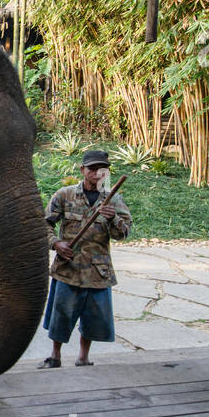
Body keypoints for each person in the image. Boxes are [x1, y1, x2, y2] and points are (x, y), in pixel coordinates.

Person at [38, 149, 132, 368]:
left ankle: (83, 357)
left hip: (97, 271)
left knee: (92, 319)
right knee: (61, 315)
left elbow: (123, 233)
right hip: (68, 268)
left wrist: (113, 218)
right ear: (82, 170)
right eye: (92, 169)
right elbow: (44, 223)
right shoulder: (64, 195)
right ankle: (55, 356)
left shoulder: (114, 200)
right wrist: (56, 243)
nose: (97, 174)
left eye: (102, 170)